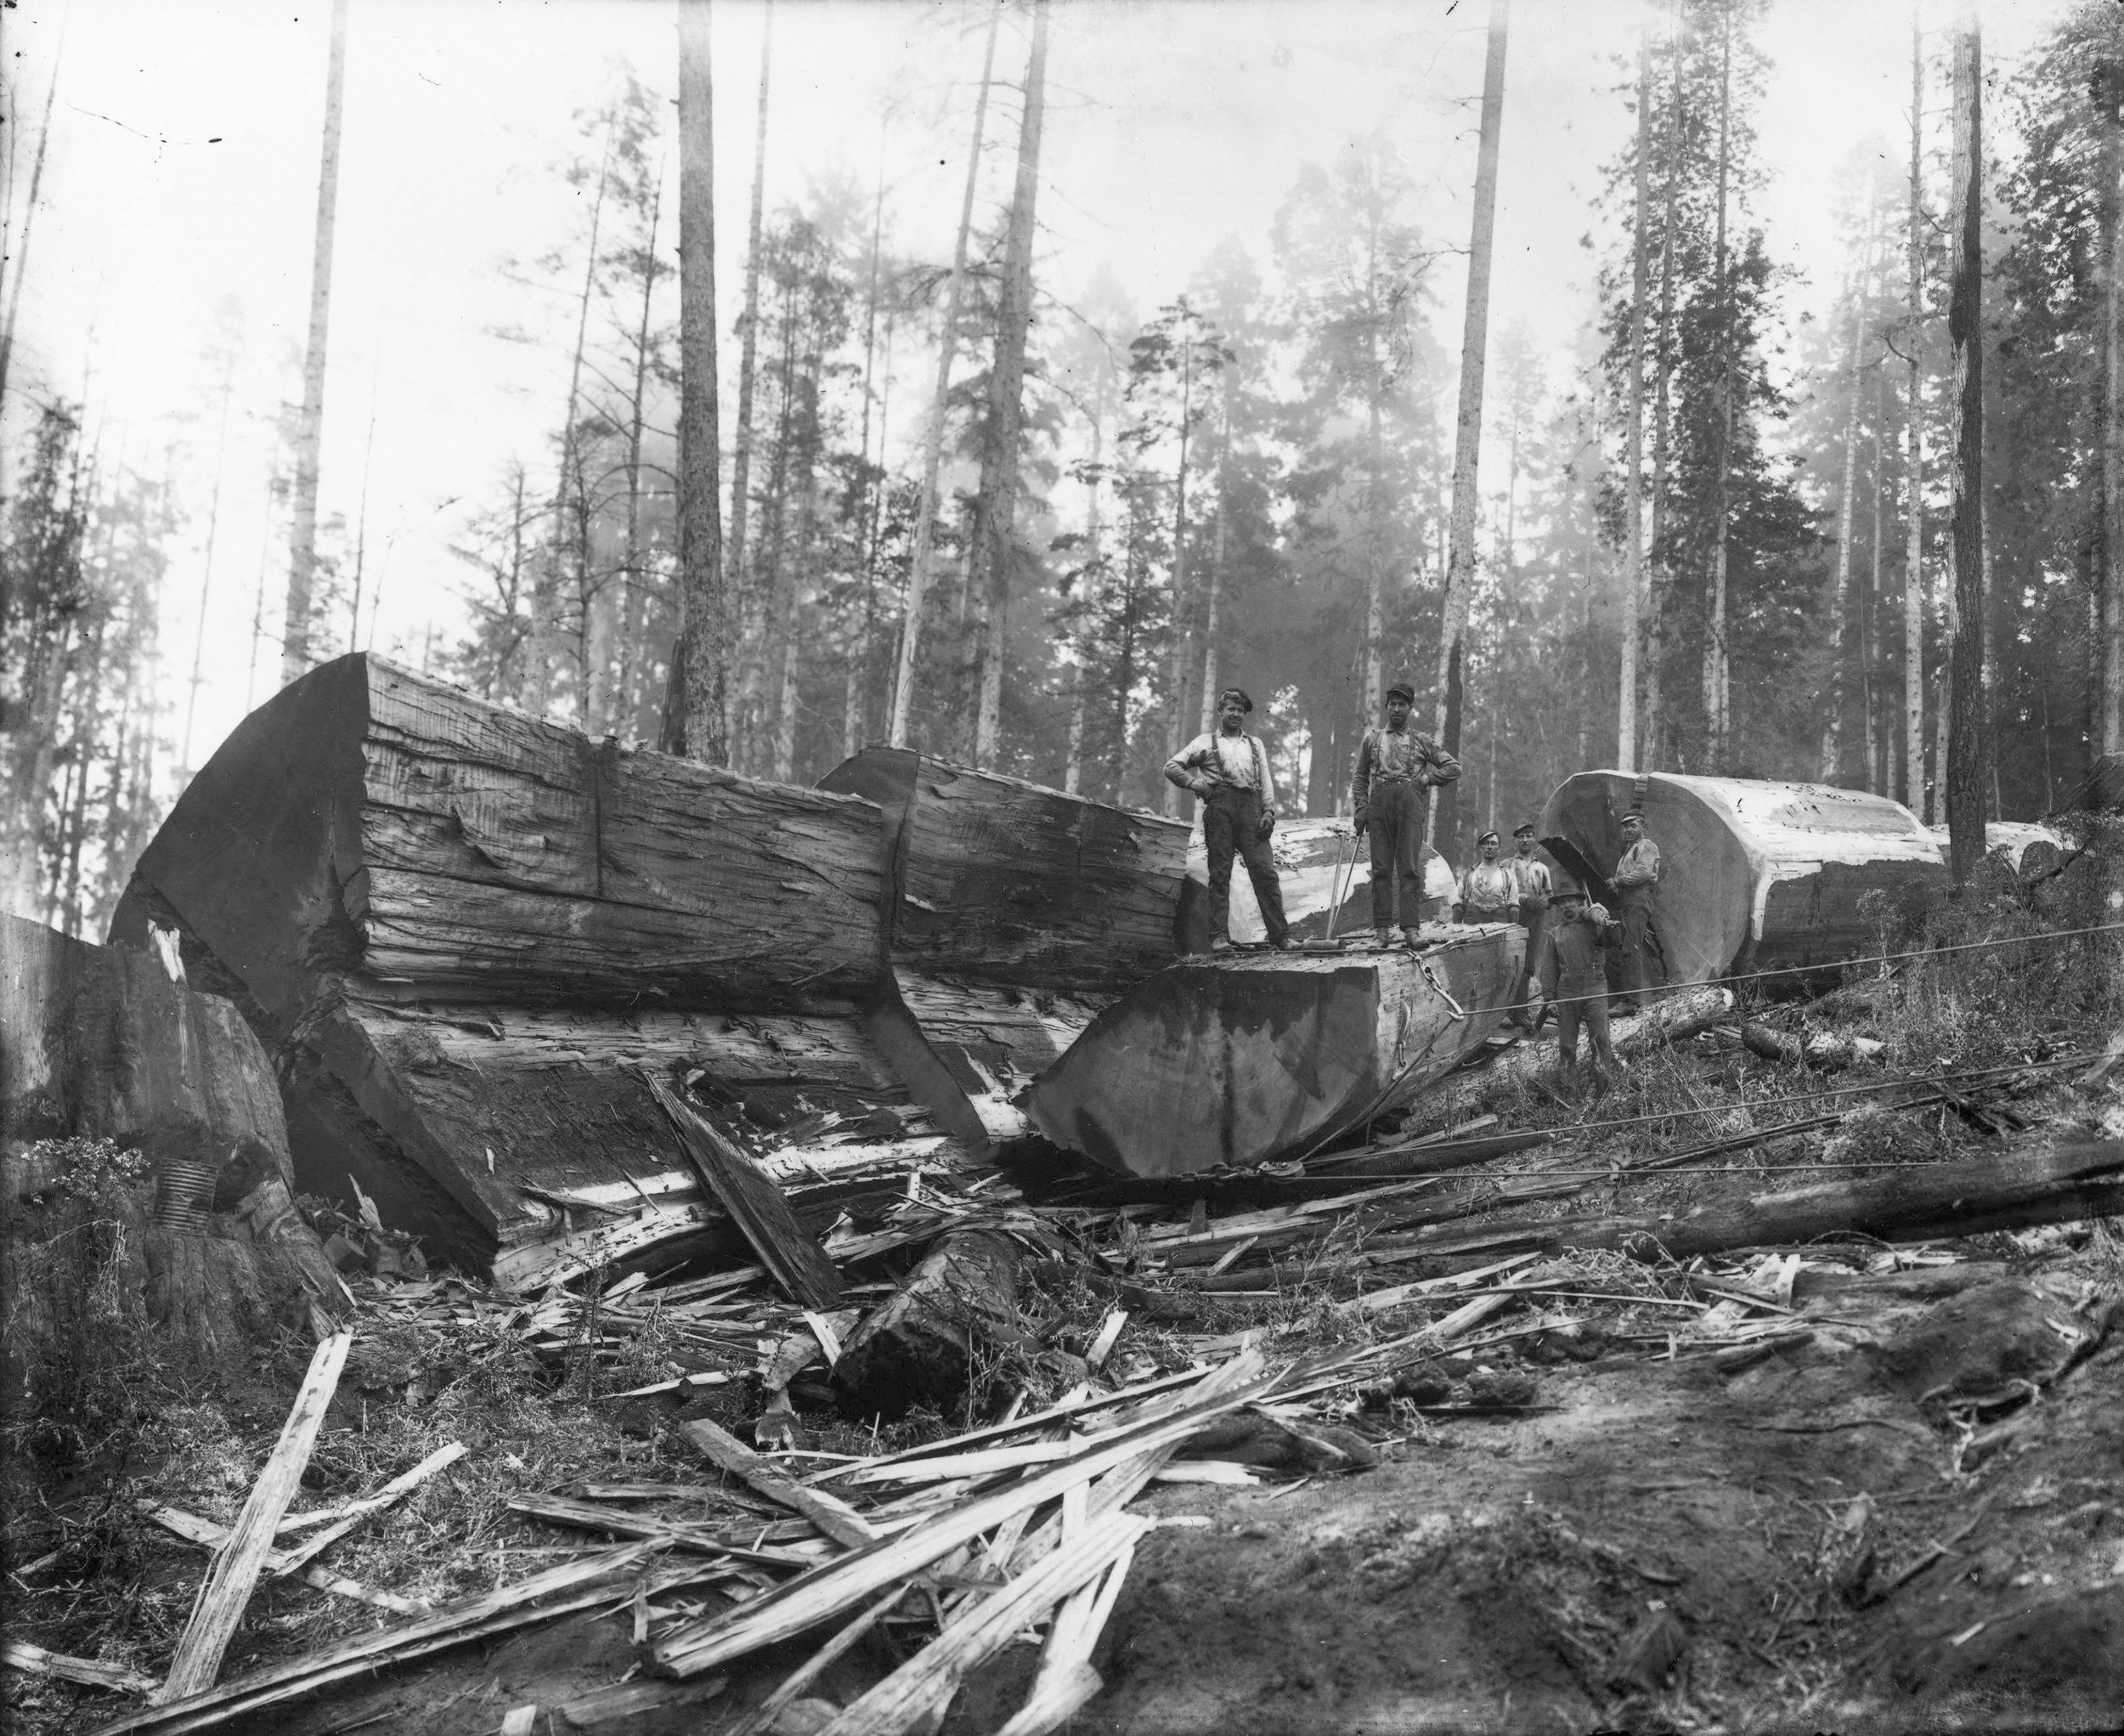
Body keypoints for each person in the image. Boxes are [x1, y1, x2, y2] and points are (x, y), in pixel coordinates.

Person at [1165, 687, 1290, 953]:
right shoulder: (1204, 742)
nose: (1236, 714)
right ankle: (1219, 937)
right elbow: (1171, 767)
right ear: (1220, 711)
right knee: (1220, 875)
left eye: (1240, 710)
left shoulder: (1255, 744)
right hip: (1220, 810)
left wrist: (1268, 811)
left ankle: (1281, 937)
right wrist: (1196, 784)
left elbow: (1265, 780)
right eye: (1231, 709)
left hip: (1252, 810)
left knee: (1265, 873)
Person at [1350, 681, 1461, 948]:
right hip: (1379, 808)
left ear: (1410, 708)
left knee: (1409, 869)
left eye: (1402, 704)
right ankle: (1381, 932)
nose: (1397, 709)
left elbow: (1453, 767)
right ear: (1387, 707)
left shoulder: (1421, 740)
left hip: (1409, 807)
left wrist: (1427, 779)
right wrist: (1362, 808)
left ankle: (1411, 930)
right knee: (1381, 871)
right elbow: (1360, 777)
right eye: (1393, 704)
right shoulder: (1372, 739)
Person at [1544, 874, 1623, 1083]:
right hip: (1567, 992)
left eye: (1570, 900)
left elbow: (1614, 941)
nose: (1566, 905)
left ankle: (1604, 1089)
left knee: (1601, 1041)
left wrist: (1605, 921)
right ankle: (1569, 1092)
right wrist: (1549, 998)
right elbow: (1549, 969)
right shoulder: (1554, 934)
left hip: (1595, 988)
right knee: (1567, 1047)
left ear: (1580, 902)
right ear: (1558, 907)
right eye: (1562, 902)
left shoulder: (1593, 925)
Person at [1611, 809, 1664, 1013]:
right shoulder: (1630, 849)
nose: (1628, 830)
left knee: (1630, 948)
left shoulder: (1646, 846)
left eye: (1633, 825)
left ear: (1644, 827)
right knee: (1625, 948)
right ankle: (1626, 999)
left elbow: (1643, 873)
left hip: (1637, 899)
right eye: (1625, 826)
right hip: (1627, 900)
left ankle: (1630, 1002)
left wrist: (1617, 882)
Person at [1506, 822, 1552, 1030]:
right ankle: (1506, 1013)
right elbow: (1502, 891)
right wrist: (1521, 898)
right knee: (1510, 963)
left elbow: (1548, 894)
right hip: (1514, 916)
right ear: (1515, 841)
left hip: (1535, 918)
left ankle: (1521, 1013)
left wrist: (1543, 901)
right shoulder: (1507, 865)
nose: (1525, 840)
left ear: (1534, 839)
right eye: (1521, 836)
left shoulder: (1542, 868)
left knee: (1528, 966)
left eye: (1529, 836)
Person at [1455, 831, 1517, 925]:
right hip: (1472, 928)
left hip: (1499, 928)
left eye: (1493, 843)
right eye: (1486, 843)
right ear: (1481, 848)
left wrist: (1513, 931)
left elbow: (1514, 908)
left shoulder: (1508, 875)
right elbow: (1458, 906)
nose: (1489, 847)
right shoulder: (1467, 875)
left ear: (1499, 848)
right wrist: (1456, 930)